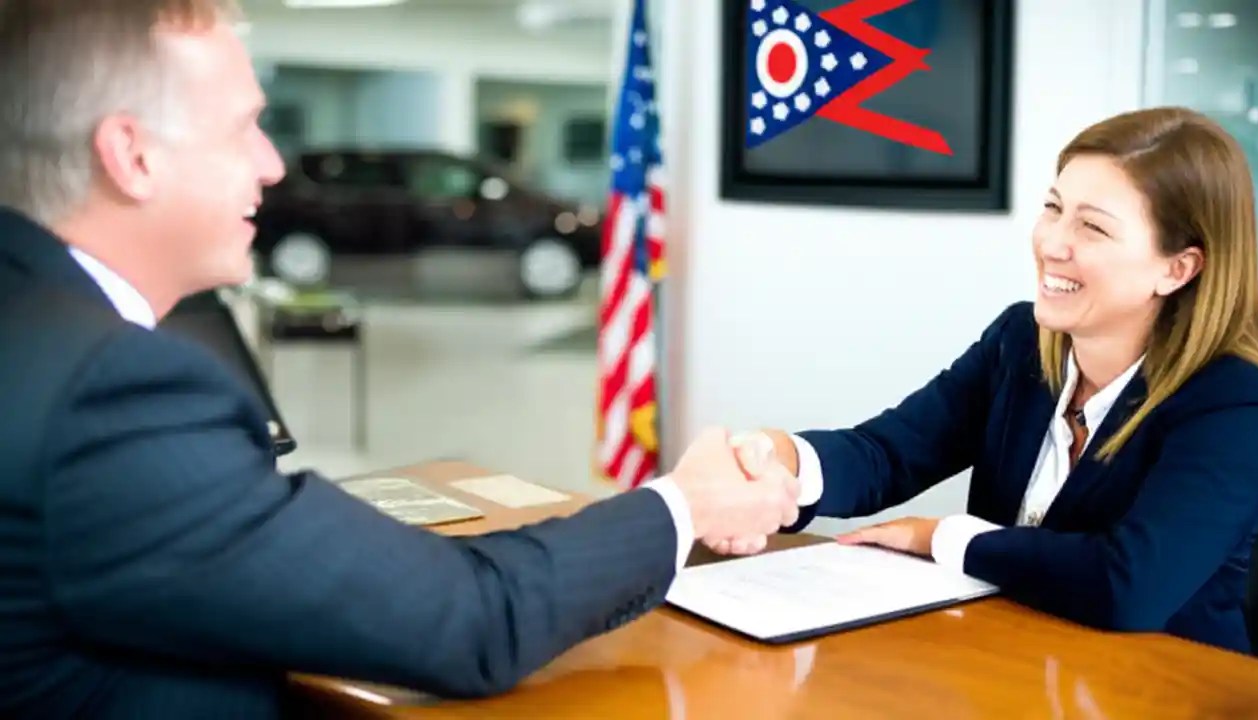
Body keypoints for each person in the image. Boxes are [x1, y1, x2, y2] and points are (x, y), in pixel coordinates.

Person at [0, 2, 798, 718]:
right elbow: (470, 624)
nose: (273, 165)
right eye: (244, 127)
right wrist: (684, 505)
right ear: (131, 155)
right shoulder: (113, 393)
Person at [715, 106, 1258, 655]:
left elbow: (1127, 585)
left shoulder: (1240, 402)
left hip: (1172, 690)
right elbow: (887, 453)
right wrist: (781, 462)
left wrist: (942, 538)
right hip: (1009, 659)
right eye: (1053, 208)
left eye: (1092, 227)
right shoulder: (1019, 342)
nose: (1052, 243)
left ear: (1176, 268)